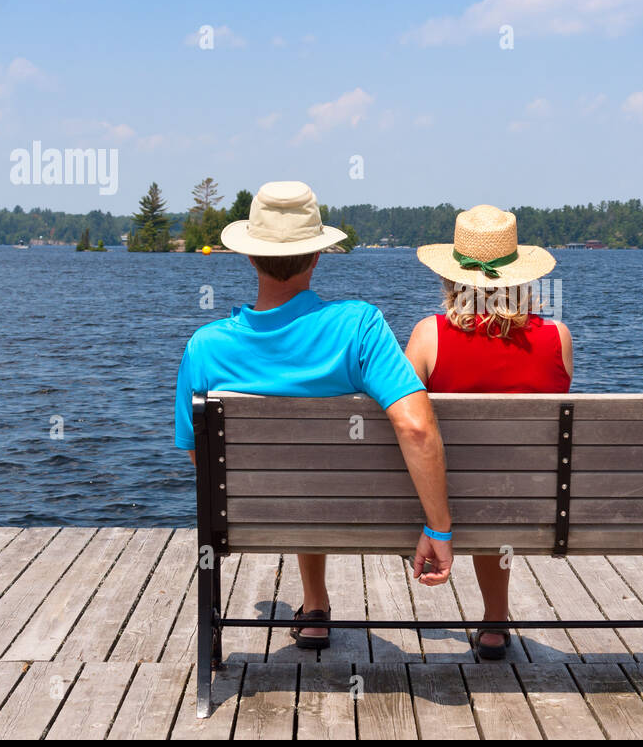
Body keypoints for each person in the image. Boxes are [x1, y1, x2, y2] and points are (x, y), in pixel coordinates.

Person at [175, 181, 452, 649]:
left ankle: (315, 605)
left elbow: (200, 463)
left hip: (252, 517)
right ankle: (316, 603)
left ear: (249, 256)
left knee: (300, 480)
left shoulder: (205, 348)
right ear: (318, 255)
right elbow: (417, 426)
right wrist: (438, 529)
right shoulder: (359, 326)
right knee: (313, 477)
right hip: (354, 514)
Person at [405, 205, 573, 659]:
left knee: (470, 476)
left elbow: (407, 423)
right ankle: (495, 621)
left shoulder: (428, 336)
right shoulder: (557, 336)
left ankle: (316, 608)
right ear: (520, 277)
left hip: (448, 503)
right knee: (500, 477)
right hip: (536, 504)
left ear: (452, 277)